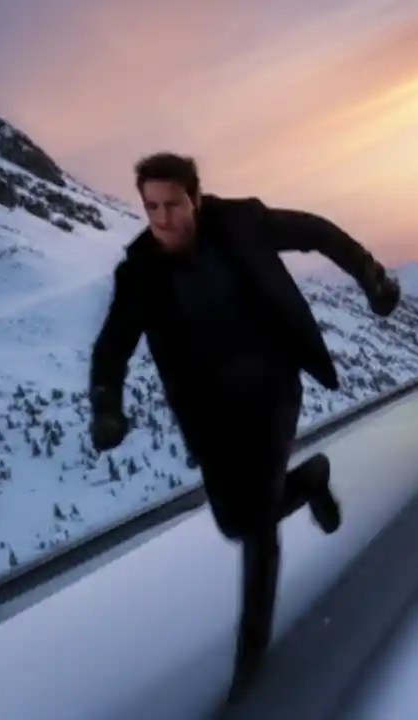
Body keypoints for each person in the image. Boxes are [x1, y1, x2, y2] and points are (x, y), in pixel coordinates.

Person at [87, 152, 400, 701]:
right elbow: (113, 344)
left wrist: (371, 276)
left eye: (172, 205)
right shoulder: (139, 272)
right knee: (235, 522)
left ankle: (251, 670)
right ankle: (310, 480)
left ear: (195, 199)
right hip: (210, 413)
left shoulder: (240, 223)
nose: (162, 219)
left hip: (271, 386)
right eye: (151, 207)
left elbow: (316, 232)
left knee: (256, 526)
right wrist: (106, 406)